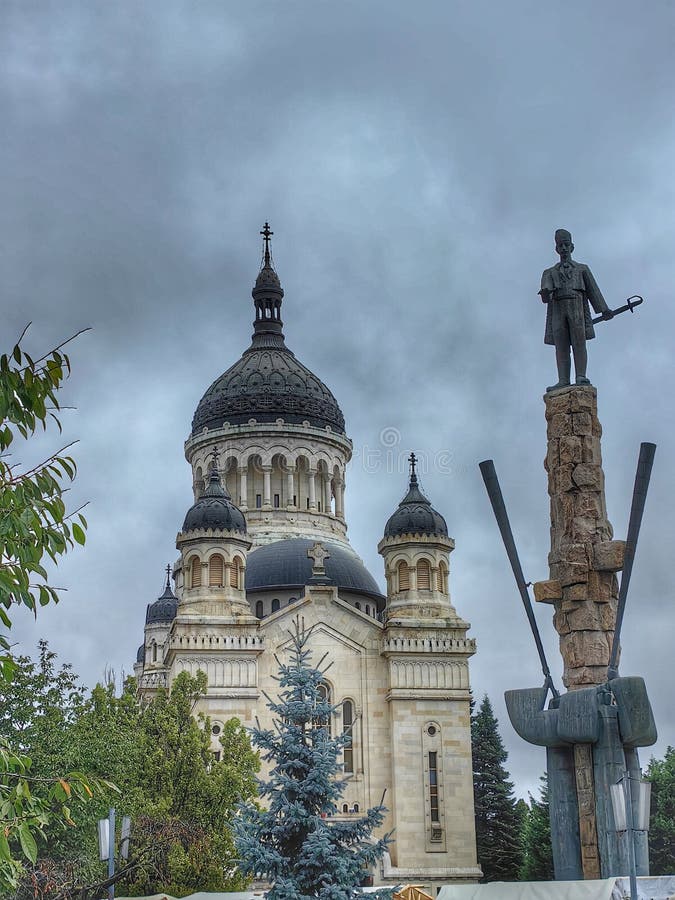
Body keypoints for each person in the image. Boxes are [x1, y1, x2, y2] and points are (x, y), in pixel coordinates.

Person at [540, 229, 613, 391]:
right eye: (560, 245)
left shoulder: (582, 269)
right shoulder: (549, 272)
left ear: (572, 247)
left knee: (579, 342)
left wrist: (603, 309)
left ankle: (581, 375)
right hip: (558, 309)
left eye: (566, 245)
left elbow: (593, 290)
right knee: (561, 346)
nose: (564, 248)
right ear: (556, 249)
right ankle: (563, 379)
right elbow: (545, 295)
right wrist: (545, 293)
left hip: (577, 307)